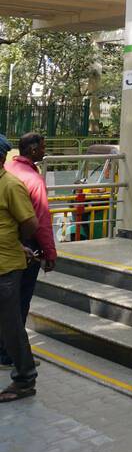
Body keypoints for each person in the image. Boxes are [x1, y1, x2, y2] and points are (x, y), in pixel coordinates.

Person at [0, 131, 56, 367]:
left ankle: (13, 359)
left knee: (10, 309)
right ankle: (10, 357)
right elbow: (39, 221)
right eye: (43, 147)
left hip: (12, 251)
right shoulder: (31, 180)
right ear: (32, 150)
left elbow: (32, 221)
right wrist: (49, 253)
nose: (45, 151)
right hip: (20, 250)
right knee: (17, 307)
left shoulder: (11, 175)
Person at [0, 133, 39, 402]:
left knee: (10, 325)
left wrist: (17, 243)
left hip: (6, 268)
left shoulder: (11, 186)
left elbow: (31, 223)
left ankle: (25, 378)